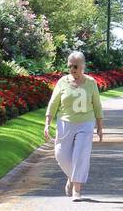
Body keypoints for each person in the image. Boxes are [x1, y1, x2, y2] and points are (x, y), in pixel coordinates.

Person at [44, 51, 104, 201]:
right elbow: (53, 103)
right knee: (60, 154)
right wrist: (47, 123)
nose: (72, 69)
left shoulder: (91, 83)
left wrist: (100, 127)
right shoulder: (62, 82)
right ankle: (72, 176)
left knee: (80, 155)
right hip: (65, 122)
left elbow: (97, 105)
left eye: (76, 66)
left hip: (86, 123)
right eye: (70, 66)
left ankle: (77, 189)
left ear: (83, 66)